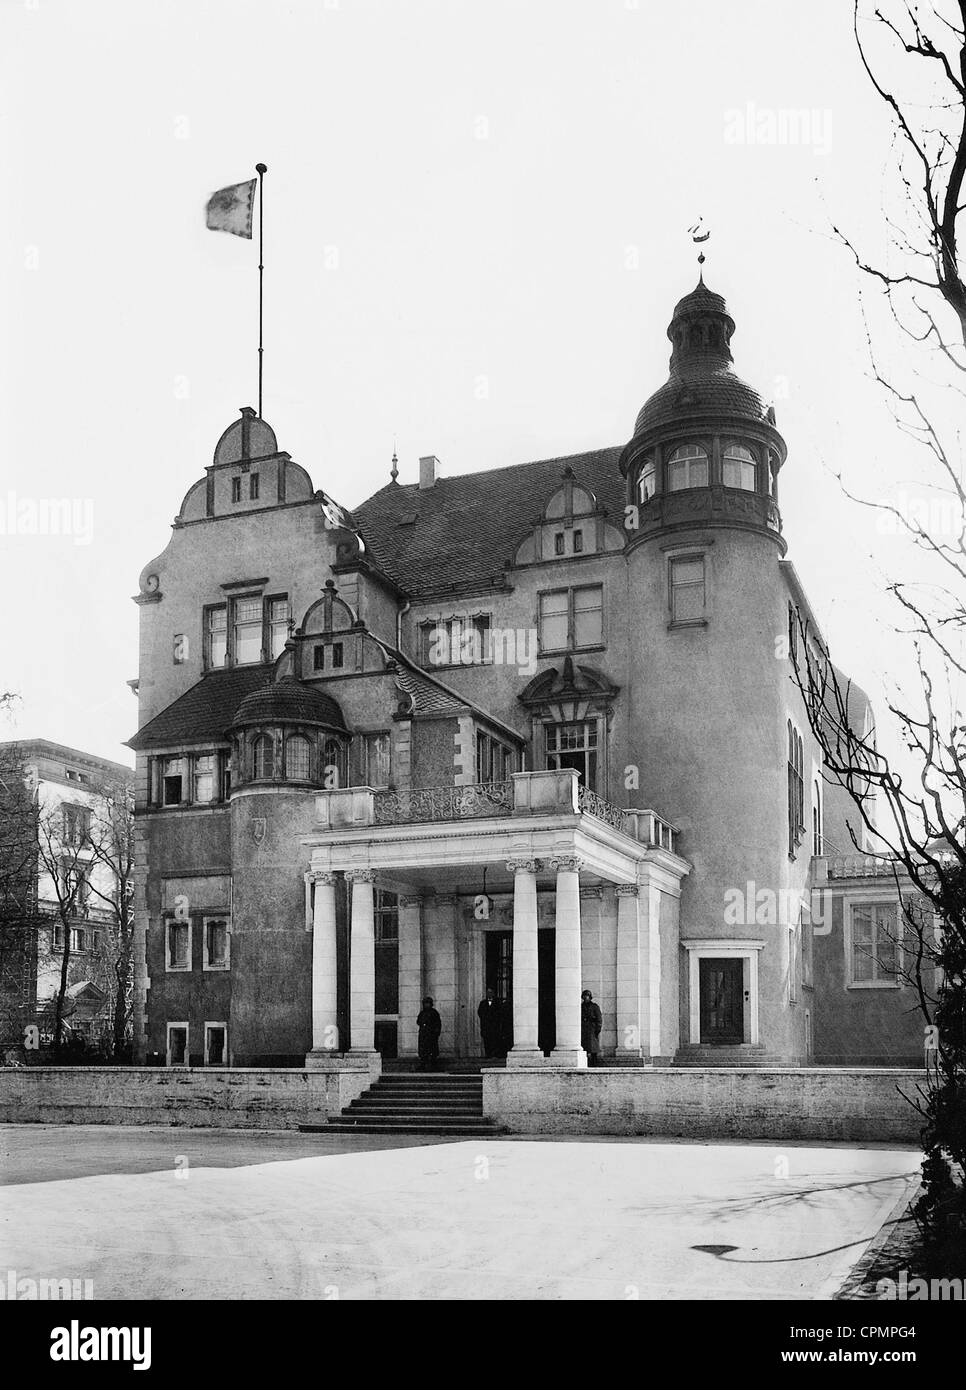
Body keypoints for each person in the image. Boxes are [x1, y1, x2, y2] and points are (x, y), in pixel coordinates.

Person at [416, 996, 442, 1070]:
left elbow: (438, 1023)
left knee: (432, 1050)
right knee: (423, 1050)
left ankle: (433, 1064)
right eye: (425, 1003)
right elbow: (418, 1021)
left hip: (431, 1035)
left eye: (428, 1003)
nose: (427, 1005)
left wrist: (436, 1032)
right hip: (424, 1034)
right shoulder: (422, 1013)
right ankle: (423, 1064)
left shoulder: (434, 1013)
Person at [477, 988, 502, 1058]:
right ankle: (488, 1054)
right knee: (487, 1041)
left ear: (493, 994)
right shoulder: (483, 1003)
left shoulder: (497, 1003)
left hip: (494, 1026)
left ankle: (495, 1054)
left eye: (491, 992)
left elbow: (500, 1013)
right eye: (488, 992)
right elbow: (480, 1013)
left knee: (495, 1040)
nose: (489, 994)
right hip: (486, 1026)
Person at [581, 989, 602, 1065]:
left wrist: (597, 1029)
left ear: (590, 997)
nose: (586, 997)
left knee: (593, 1048)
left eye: (587, 996)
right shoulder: (580, 1007)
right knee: (584, 1047)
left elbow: (599, 1019)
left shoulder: (594, 1007)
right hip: (583, 1029)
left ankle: (594, 1062)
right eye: (584, 996)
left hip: (592, 1029)